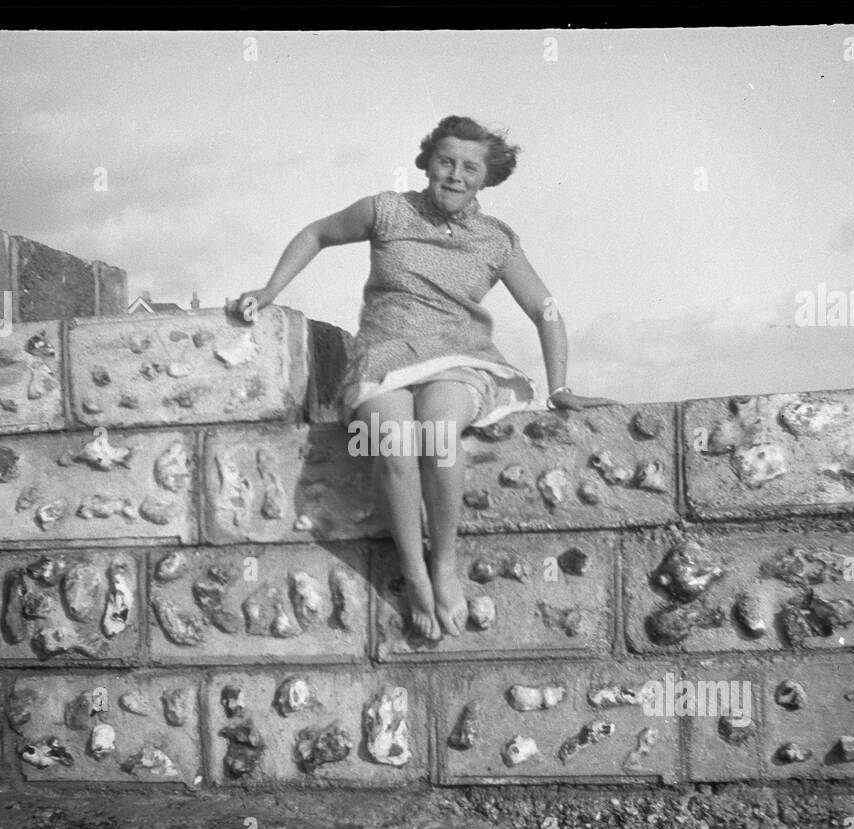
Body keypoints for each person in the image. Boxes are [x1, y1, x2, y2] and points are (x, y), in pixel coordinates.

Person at [230, 115, 613, 641]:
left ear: (486, 178)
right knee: (391, 445)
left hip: (459, 359)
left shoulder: (496, 240)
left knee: (438, 434)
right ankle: (414, 575)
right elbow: (316, 233)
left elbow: (544, 309)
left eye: (469, 168)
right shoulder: (386, 210)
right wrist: (271, 290)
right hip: (382, 357)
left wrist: (560, 387)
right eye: (446, 162)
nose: (455, 175)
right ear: (428, 163)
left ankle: (446, 565)